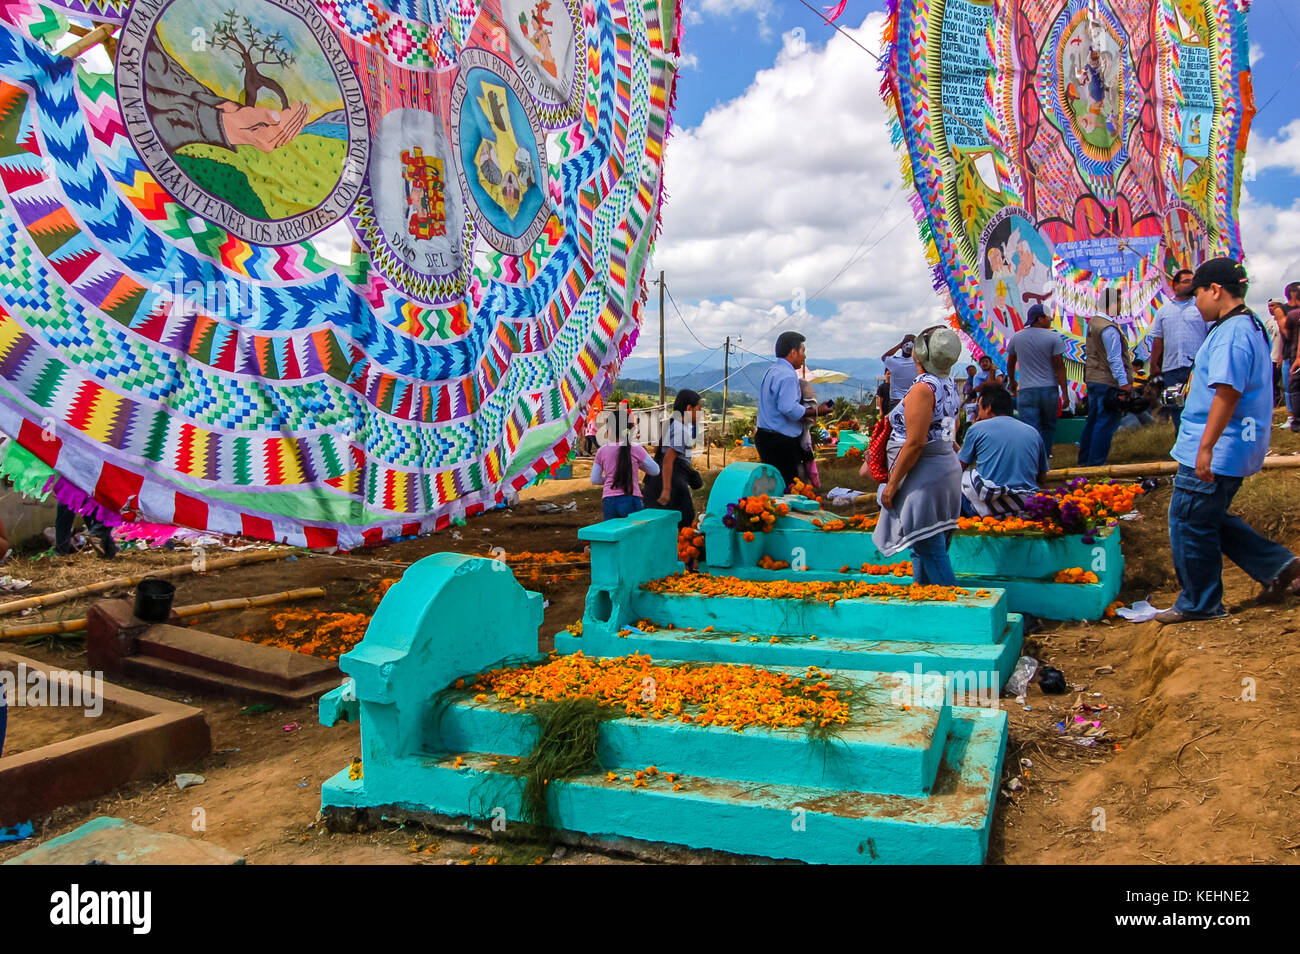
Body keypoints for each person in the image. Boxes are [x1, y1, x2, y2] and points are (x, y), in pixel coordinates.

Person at [1158, 257, 1300, 624]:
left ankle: (1200, 602)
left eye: (1198, 295)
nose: (1195, 303)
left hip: (1217, 447)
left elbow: (1227, 391)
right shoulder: (1246, 324)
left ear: (1215, 291)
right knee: (1208, 516)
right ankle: (1279, 565)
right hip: (1230, 445)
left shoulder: (1233, 333)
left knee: (1188, 520)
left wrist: (1205, 448)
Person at [865, 325, 964, 586]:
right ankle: (924, 599)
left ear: (920, 354)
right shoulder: (948, 383)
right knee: (922, 544)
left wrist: (892, 484)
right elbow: (948, 431)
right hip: (942, 469)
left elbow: (916, 443)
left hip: (924, 474)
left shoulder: (923, 389)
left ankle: (952, 610)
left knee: (930, 547)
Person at [756, 331, 833, 489]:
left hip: (765, 436)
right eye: (803, 351)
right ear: (793, 352)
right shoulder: (788, 376)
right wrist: (818, 411)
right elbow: (789, 408)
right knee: (788, 487)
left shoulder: (772, 370)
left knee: (774, 485)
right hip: (780, 441)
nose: (804, 357)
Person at [958, 385, 1049, 516]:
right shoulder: (1033, 432)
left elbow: (958, 467)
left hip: (989, 505)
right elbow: (1042, 477)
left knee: (964, 480)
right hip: (1026, 504)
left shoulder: (977, 429)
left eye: (979, 407)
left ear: (988, 407)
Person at [1077, 290, 1133, 467]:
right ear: (1112, 304)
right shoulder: (1108, 328)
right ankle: (1096, 463)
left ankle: (1084, 461)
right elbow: (1114, 358)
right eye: (1119, 302)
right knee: (1105, 422)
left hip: (1093, 377)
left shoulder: (1094, 322)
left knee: (1092, 421)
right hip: (1107, 380)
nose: (1121, 306)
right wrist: (1123, 383)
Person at [1005, 304, 1069, 458]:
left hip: (1026, 390)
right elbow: (1060, 368)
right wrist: (1065, 394)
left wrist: (1013, 382)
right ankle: (1044, 458)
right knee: (1048, 427)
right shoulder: (1054, 337)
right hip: (1049, 390)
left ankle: (1031, 459)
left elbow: (1011, 363)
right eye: (1048, 316)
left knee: (1029, 429)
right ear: (1039, 319)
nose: (1051, 319)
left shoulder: (1017, 337)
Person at [1149, 268, 1206, 428]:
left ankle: (1198, 443)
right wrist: (1153, 365)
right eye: (1187, 281)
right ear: (1175, 285)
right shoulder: (1163, 311)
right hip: (1172, 368)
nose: (1191, 284)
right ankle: (1181, 443)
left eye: (1193, 281)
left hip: (1196, 367)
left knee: (1197, 405)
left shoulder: (1201, 307)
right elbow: (1158, 340)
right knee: (1175, 406)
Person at [590, 405, 659, 519]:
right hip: (630, 499)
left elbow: (595, 479)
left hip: (609, 501)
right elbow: (655, 470)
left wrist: (609, 479)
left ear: (609, 429)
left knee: (613, 535)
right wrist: (638, 465)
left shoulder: (601, 451)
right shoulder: (636, 448)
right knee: (634, 535)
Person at [650, 389, 704, 529]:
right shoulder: (681, 430)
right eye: (699, 408)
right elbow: (668, 459)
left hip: (662, 477)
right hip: (673, 479)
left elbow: (658, 451)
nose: (700, 413)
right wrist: (667, 489)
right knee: (685, 517)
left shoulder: (672, 424)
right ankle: (678, 547)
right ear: (688, 408)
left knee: (668, 520)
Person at [881, 334, 920, 413]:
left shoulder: (894, 362)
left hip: (896, 401)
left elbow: (884, 356)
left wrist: (900, 345)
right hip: (913, 400)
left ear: (902, 347)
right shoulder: (918, 363)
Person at [1280, 283, 1300, 428]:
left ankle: (1296, 418)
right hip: (1291, 353)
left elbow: (1290, 334)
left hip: (1295, 353)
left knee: (1293, 387)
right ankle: (1293, 417)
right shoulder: (1284, 310)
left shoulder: (1293, 314)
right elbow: (1288, 334)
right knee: (1290, 387)